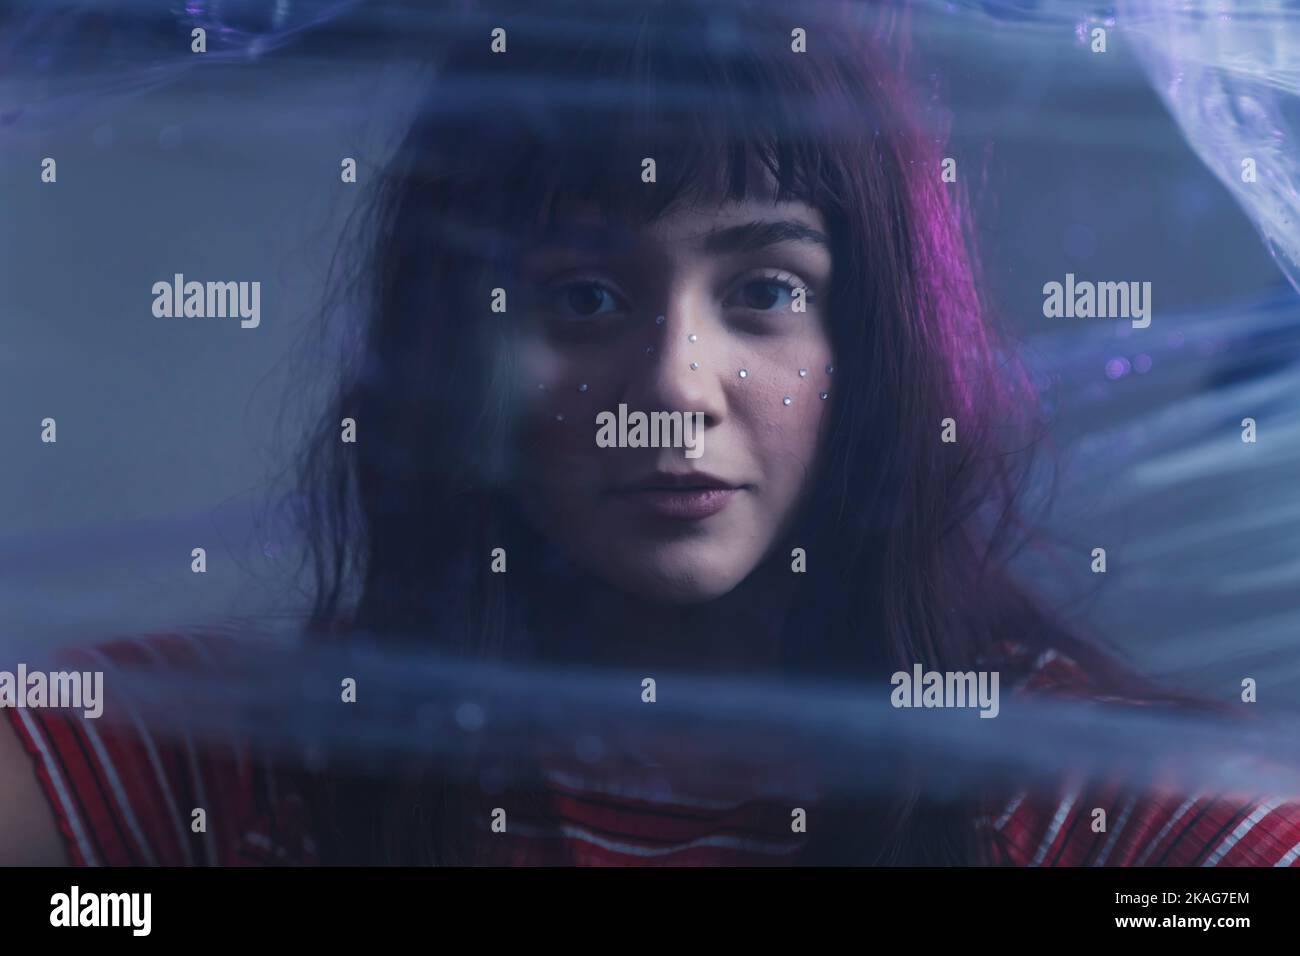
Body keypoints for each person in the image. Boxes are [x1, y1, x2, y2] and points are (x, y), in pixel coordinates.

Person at [3, 0, 1299, 866]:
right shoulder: (250, 766)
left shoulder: (1089, 803)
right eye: (582, 294)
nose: (673, 386)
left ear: (877, 353)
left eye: (766, 293)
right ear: (459, 353)